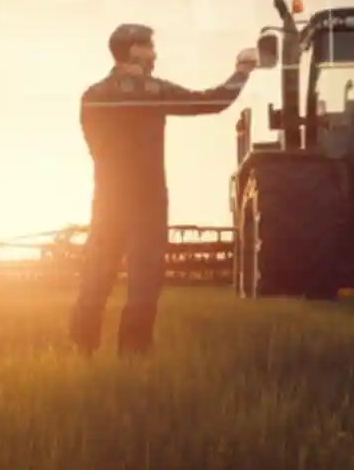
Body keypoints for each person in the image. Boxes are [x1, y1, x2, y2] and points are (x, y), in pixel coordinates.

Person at [69, 22, 258, 356]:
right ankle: (134, 355)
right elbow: (212, 101)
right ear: (135, 51)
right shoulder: (153, 90)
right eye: (150, 47)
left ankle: (81, 353)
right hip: (148, 200)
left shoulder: (92, 96)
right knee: (144, 281)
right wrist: (242, 70)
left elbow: (93, 147)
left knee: (96, 276)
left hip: (108, 197)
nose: (155, 54)